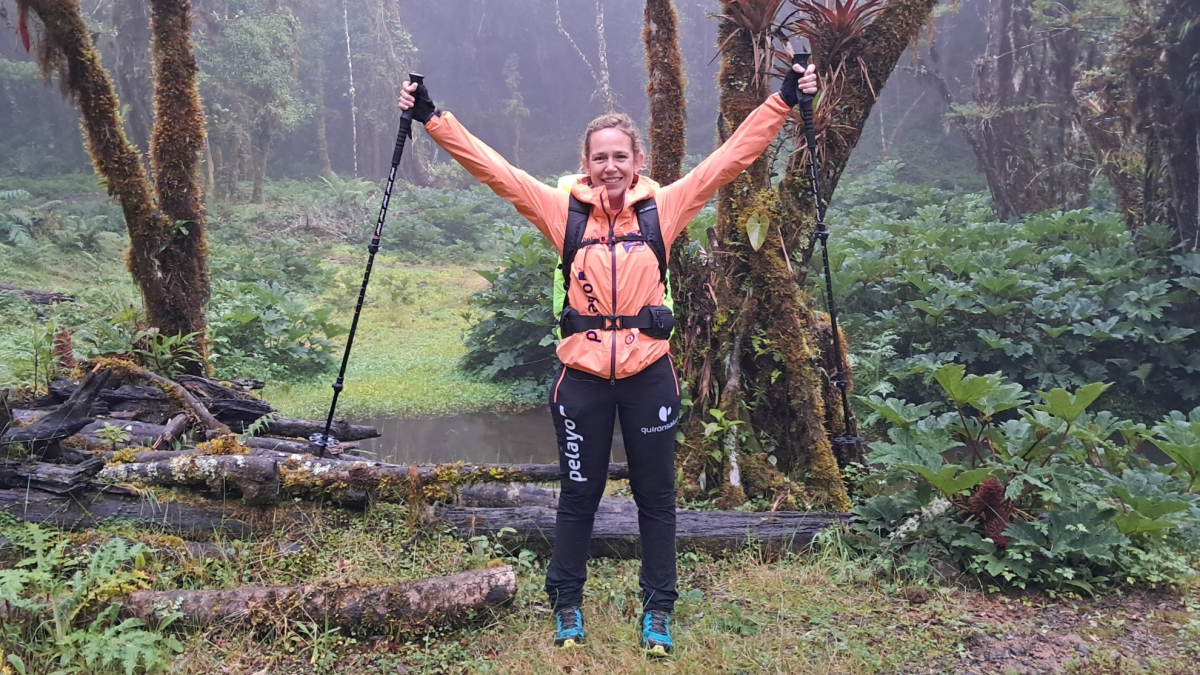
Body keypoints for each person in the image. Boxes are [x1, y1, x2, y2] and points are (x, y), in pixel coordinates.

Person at [399, 62, 817, 656]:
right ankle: (567, 606)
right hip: (583, 379)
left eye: (621, 156)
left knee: (656, 498)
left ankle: (658, 613)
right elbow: (493, 169)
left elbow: (728, 161)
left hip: (650, 377)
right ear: (586, 164)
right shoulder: (560, 211)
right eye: (601, 157)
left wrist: (779, 103)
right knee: (579, 496)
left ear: (637, 161)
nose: (611, 167)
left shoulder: (663, 209)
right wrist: (432, 118)